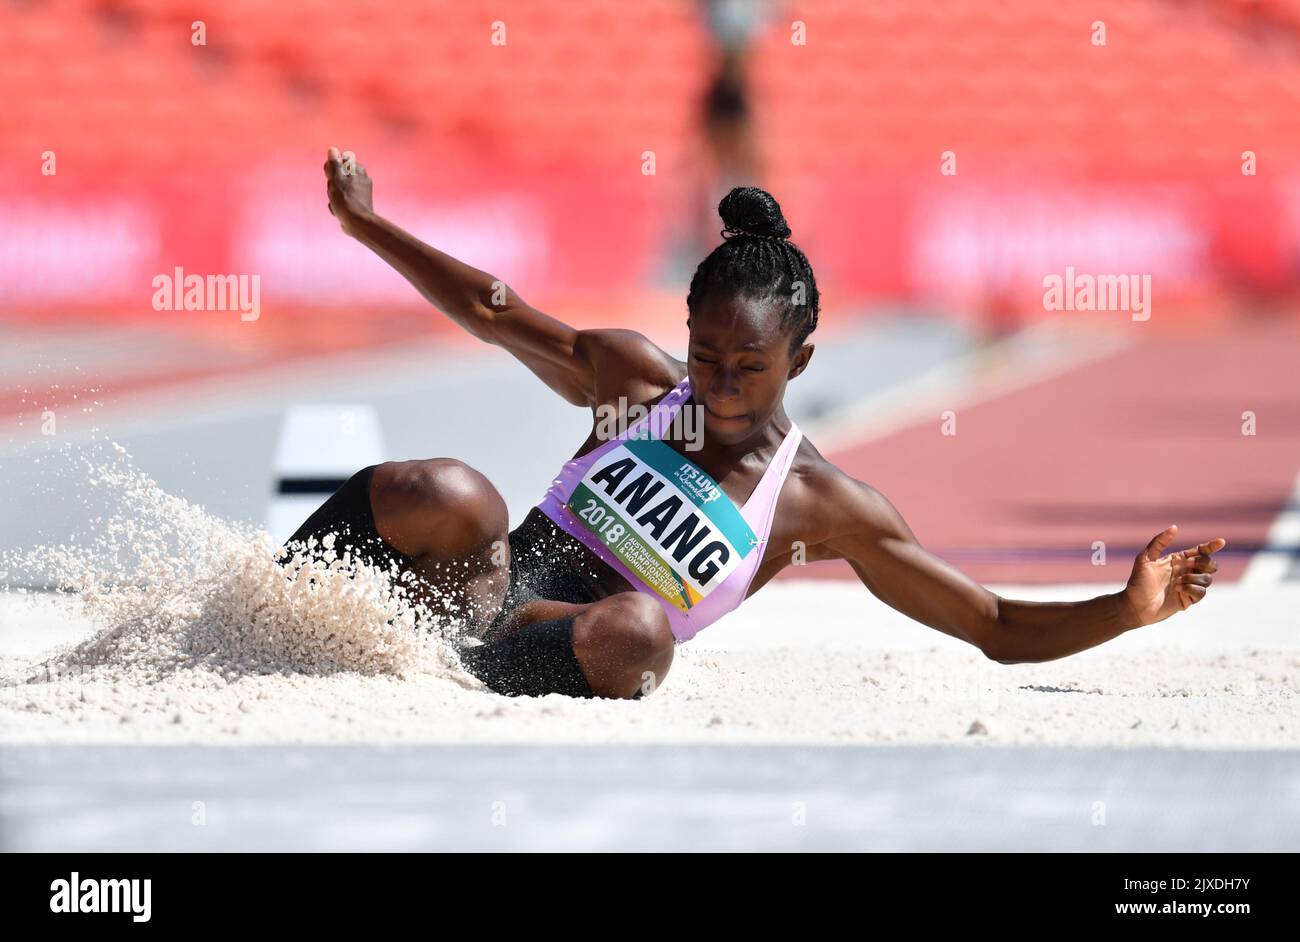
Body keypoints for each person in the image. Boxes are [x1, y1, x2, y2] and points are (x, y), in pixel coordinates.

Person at [282, 146, 1227, 701]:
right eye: (705, 357)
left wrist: (1127, 610)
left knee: (641, 631)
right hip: (474, 589)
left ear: (800, 363)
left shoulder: (818, 505)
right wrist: (366, 224)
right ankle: (260, 606)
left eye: (749, 369)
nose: (720, 387)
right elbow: (494, 311)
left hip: (564, 638)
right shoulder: (636, 385)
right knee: (451, 491)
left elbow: (990, 623)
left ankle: (463, 673)